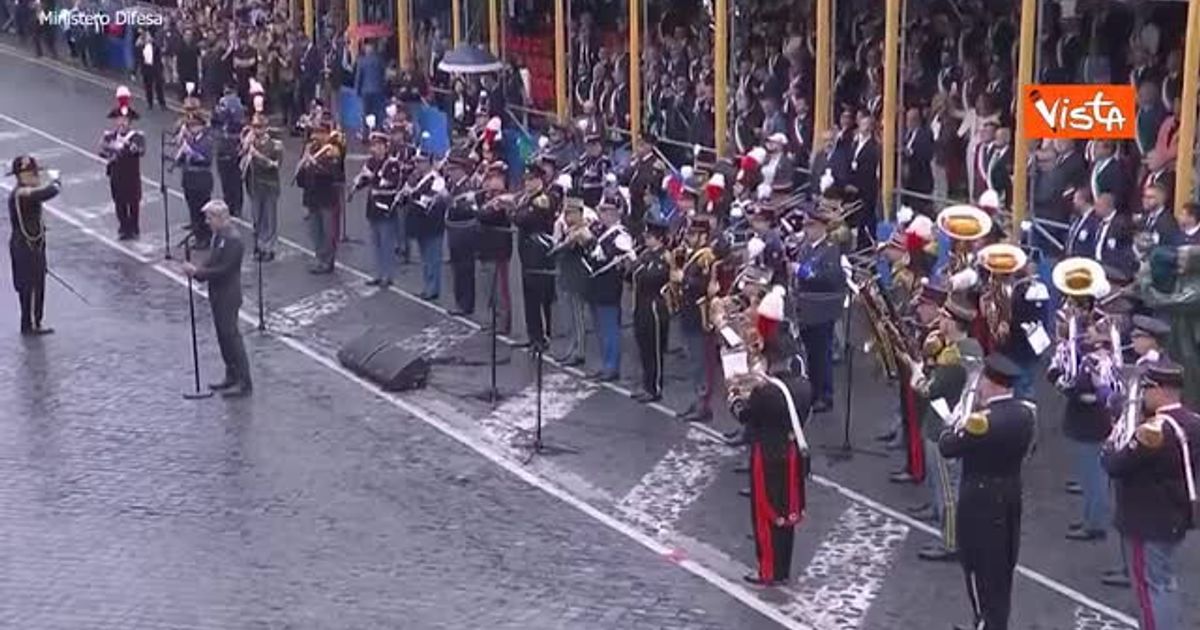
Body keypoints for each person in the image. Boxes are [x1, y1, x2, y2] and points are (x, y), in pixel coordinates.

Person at [940, 354, 1036, 630]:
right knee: (1001, 572)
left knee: (979, 570)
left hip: (980, 502)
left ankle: (986, 623)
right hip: (1009, 496)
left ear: (991, 383)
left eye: (981, 379)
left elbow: (948, 445)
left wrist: (959, 417)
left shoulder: (982, 422)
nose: (978, 384)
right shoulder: (1025, 413)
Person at [1102, 360, 1199, 630]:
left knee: (1149, 589)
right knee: (1166, 583)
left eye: (1146, 390)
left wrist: (1113, 438)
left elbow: (1114, 464)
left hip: (1146, 519)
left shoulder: (1152, 431)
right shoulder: (1193, 423)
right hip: (1176, 513)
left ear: (1158, 390)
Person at [730, 286, 812, 586]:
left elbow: (744, 415)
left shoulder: (767, 392)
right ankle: (783, 568)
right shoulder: (802, 385)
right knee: (786, 516)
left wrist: (734, 395)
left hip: (767, 454)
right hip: (791, 451)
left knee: (764, 515)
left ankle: (767, 569)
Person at [911, 299, 981, 562]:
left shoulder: (952, 358)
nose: (939, 322)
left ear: (952, 322)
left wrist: (917, 372)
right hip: (957, 422)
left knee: (948, 489)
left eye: (943, 318)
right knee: (952, 484)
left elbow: (928, 389)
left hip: (942, 427)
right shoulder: (972, 347)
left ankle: (951, 544)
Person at [182, 201, 251, 398]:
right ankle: (231, 374)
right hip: (218, 293)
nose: (207, 222)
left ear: (221, 218)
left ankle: (244, 381)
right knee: (223, 336)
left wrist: (197, 273)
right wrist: (199, 269)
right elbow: (213, 261)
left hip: (228, 293)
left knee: (232, 336)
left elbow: (224, 269)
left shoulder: (233, 240)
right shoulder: (219, 236)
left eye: (210, 218)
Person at [791, 205, 845, 413]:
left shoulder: (830, 250)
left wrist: (802, 272)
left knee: (822, 354)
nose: (807, 230)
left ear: (822, 227)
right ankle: (813, 392)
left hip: (822, 310)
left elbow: (829, 279)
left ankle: (825, 395)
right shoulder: (806, 247)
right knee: (811, 354)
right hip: (806, 308)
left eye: (811, 226)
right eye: (806, 225)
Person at [7, 156, 60, 336]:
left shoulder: (27, 190)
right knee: (29, 285)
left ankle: (34, 322)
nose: (37, 176)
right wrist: (56, 181)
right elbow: (47, 193)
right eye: (33, 173)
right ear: (23, 176)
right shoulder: (21, 193)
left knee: (38, 284)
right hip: (24, 247)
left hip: (34, 245)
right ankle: (29, 324)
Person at [583, 198, 634, 382]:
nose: (602, 214)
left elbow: (629, 259)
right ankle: (605, 363)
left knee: (609, 328)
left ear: (616, 213)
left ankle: (612, 366)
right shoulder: (599, 230)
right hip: (595, 285)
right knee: (599, 328)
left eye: (607, 211)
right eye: (602, 210)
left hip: (609, 287)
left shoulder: (621, 235)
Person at [351, 128, 403, 286]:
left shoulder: (392, 164)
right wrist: (357, 184)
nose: (375, 148)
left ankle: (388, 276)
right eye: (373, 145)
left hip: (386, 209)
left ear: (386, 147)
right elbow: (366, 181)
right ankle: (378, 274)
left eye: (379, 145)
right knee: (376, 244)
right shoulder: (371, 162)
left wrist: (371, 178)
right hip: (373, 209)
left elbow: (390, 186)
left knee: (387, 245)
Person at [513, 171, 557, 350]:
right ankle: (533, 335)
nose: (527, 183)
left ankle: (544, 335)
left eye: (531, 180)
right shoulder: (526, 199)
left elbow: (523, 219)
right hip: (526, 252)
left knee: (541, 295)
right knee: (529, 297)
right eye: (526, 180)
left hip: (539, 253)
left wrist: (516, 214)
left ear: (539, 180)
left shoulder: (544, 199)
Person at [630, 217, 671, 402]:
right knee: (643, 347)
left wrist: (637, 264)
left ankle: (655, 388)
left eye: (650, 237)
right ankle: (647, 384)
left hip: (655, 307)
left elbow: (653, 278)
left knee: (654, 349)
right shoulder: (646, 254)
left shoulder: (664, 257)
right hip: (641, 305)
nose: (646, 240)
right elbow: (631, 275)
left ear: (659, 238)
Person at [295, 116, 343, 274]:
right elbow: (302, 175)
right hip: (312, 196)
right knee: (315, 230)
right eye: (315, 132)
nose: (316, 136)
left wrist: (313, 163)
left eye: (321, 133)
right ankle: (319, 257)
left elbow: (333, 173)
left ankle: (328, 261)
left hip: (328, 197)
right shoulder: (310, 149)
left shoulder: (333, 151)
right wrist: (303, 165)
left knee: (329, 232)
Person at [98, 89, 145, 241]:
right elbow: (102, 152)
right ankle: (123, 227)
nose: (122, 122)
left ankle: (134, 227)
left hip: (131, 175)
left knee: (134, 203)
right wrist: (109, 148)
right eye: (119, 119)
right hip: (116, 175)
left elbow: (140, 151)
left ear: (130, 122)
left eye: (125, 119)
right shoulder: (110, 136)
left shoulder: (137, 137)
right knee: (119, 202)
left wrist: (126, 146)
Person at [242, 103, 283, 261]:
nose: (256, 130)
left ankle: (269, 247)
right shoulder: (251, 141)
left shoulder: (275, 144)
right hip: (254, 184)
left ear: (266, 127)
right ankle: (259, 245)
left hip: (270, 184)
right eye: (254, 126)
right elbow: (240, 158)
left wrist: (258, 156)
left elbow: (276, 165)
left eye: (259, 127)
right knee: (256, 217)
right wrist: (246, 146)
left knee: (269, 217)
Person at [176, 101, 216, 249]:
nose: (192, 128)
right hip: (189, 179)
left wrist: (191, 152)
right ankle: (198, 235)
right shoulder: (189, 139)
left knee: (203, 210)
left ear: (201, 126)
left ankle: (206, 237)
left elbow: (206, 159)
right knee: (192, 209)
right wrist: (181, 156)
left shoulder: (207, 140)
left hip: (202, 180)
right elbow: (181, 160)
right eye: (190, 125)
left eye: (195, 125)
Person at [443, 152, 478, 316]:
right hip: (454, 230)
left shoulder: (468, 187)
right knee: (457, 268)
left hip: (465, 231)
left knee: (465, 268)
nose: (450, 173)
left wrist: (455, 205)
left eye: (453, 169)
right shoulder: (452, 185)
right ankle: (459, 301)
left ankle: (466, 303)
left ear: (461, 170)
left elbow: (470, 210)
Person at [212, 84, 247, 218]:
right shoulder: (238, 106)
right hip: (231, 145)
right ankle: (235, 205)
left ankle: (232, 204)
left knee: (229, 179)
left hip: (227, 145)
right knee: (234, 179)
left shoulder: (226, 104)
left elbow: (215, 120)